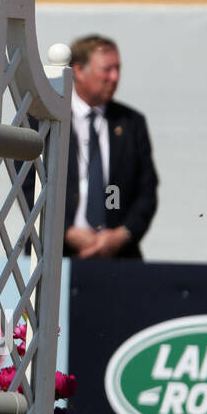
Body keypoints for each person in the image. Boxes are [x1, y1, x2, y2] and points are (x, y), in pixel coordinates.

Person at [64, 35, 158, 259]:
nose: (114, 77)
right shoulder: (47, 119)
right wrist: (67, 232)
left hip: (119, 257)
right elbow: (28, 187)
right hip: (55, 256)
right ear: (78, 70)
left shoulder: (131, 122)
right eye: (107, 70)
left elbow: (147, 191)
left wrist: (121, 235)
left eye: (118, 69)